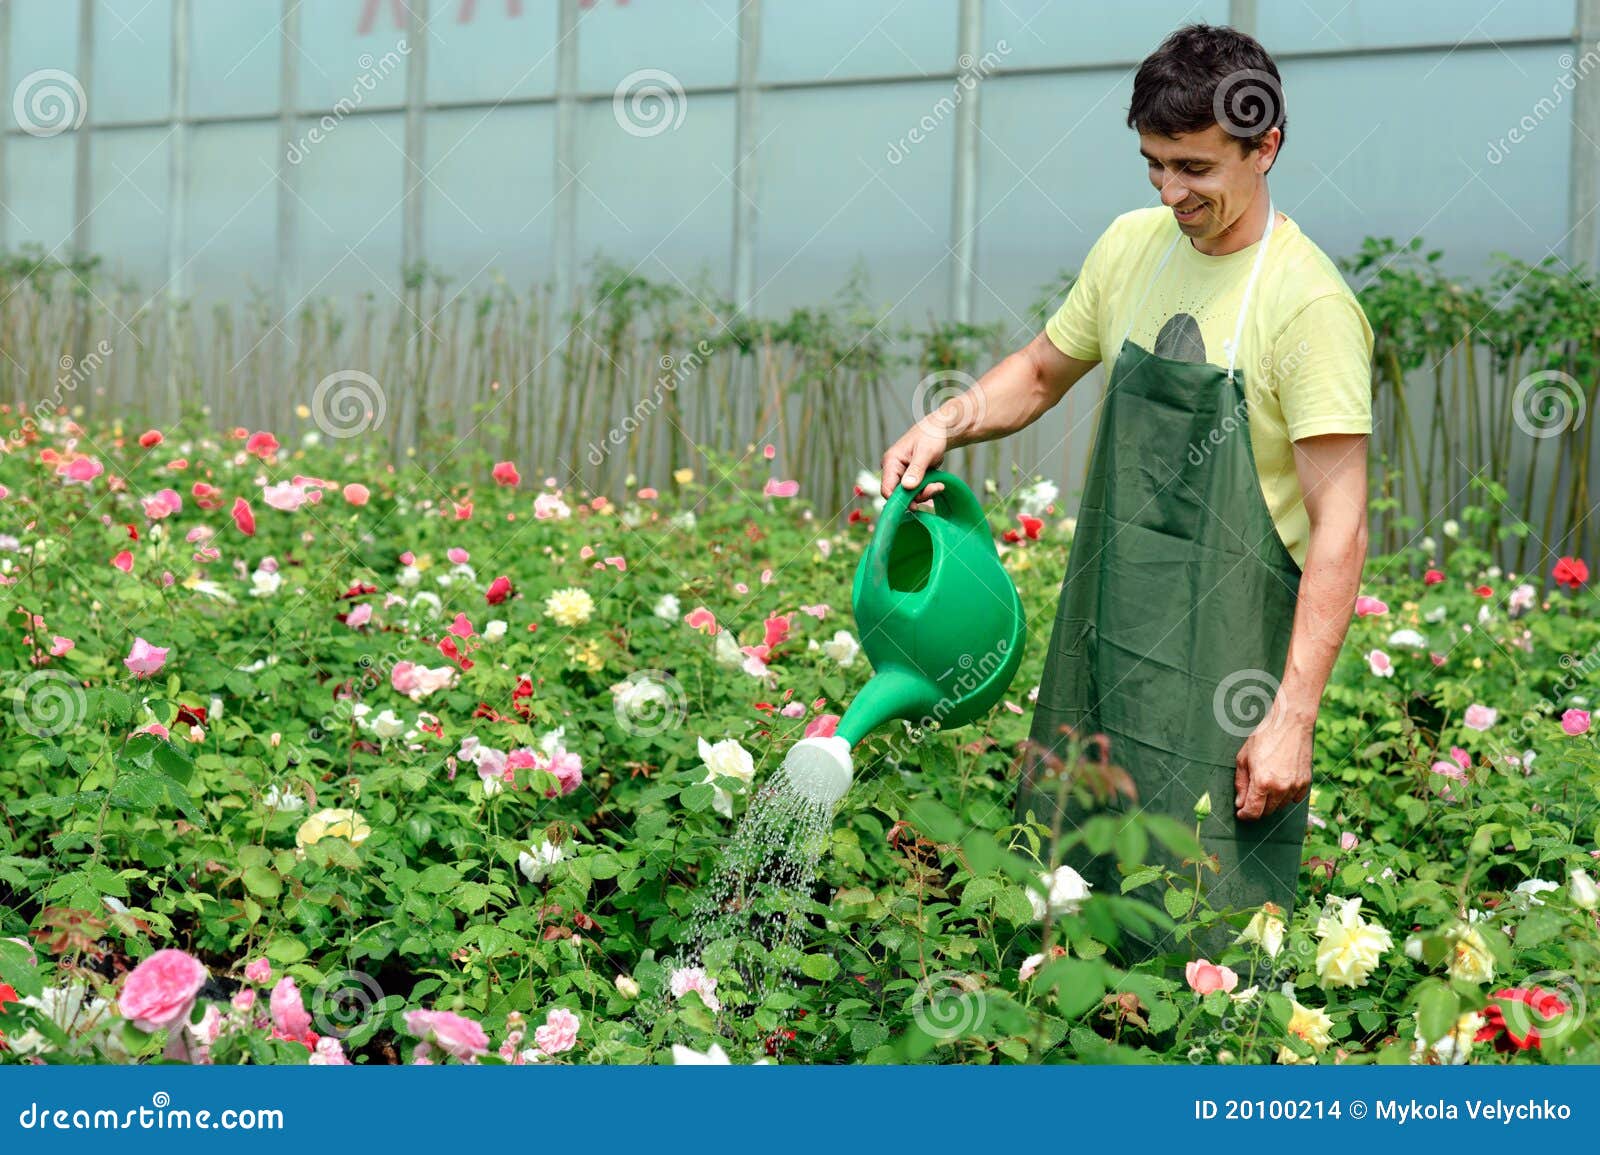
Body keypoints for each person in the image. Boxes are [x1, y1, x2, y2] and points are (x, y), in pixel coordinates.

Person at [878, 24, 1373, 963]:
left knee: (1199, 937)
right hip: (1104, 643)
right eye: (1153, 166)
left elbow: (1341, 530)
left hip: (1223, 678)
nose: (1170, 193)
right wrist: (947, 422)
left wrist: (1292, 719)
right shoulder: (1130, 247)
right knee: (1066, 910)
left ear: (1264, 145)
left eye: (1193, 168)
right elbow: (1039, 371)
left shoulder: (1307, 306)